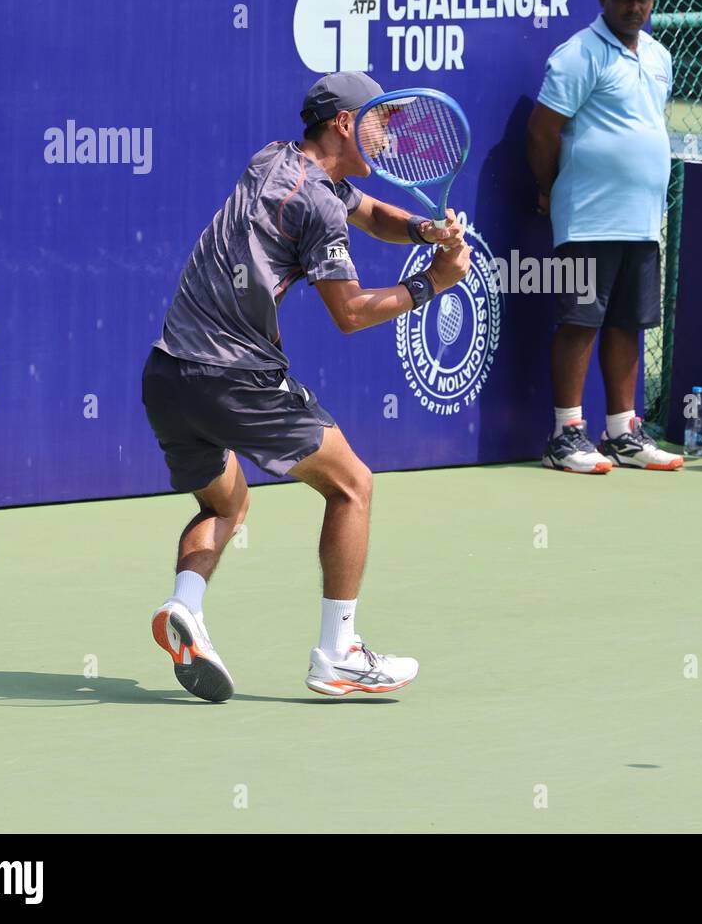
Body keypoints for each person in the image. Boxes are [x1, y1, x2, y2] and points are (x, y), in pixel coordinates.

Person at [141, 71, 469, 701]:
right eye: (379, 121)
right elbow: (349, 314)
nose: (388, 136)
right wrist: (434, 283)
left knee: (226, 504)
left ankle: (185, 605)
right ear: (344, 123)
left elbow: (367, 211)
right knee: (353, 485)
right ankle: (338, 653)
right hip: (234, 376)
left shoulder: (273, 158)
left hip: (168, 375)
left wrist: (425, 232)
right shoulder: (318, 203)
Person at [525, 0, 683, 474]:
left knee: (627, 324)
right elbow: (543, 130)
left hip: (642, 221)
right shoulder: (577, 55)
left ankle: (622, 432)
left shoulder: (658, 57)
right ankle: (566, 434)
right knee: (580, 322)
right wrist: (547, 191)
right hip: (588, 217)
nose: (635, 5)